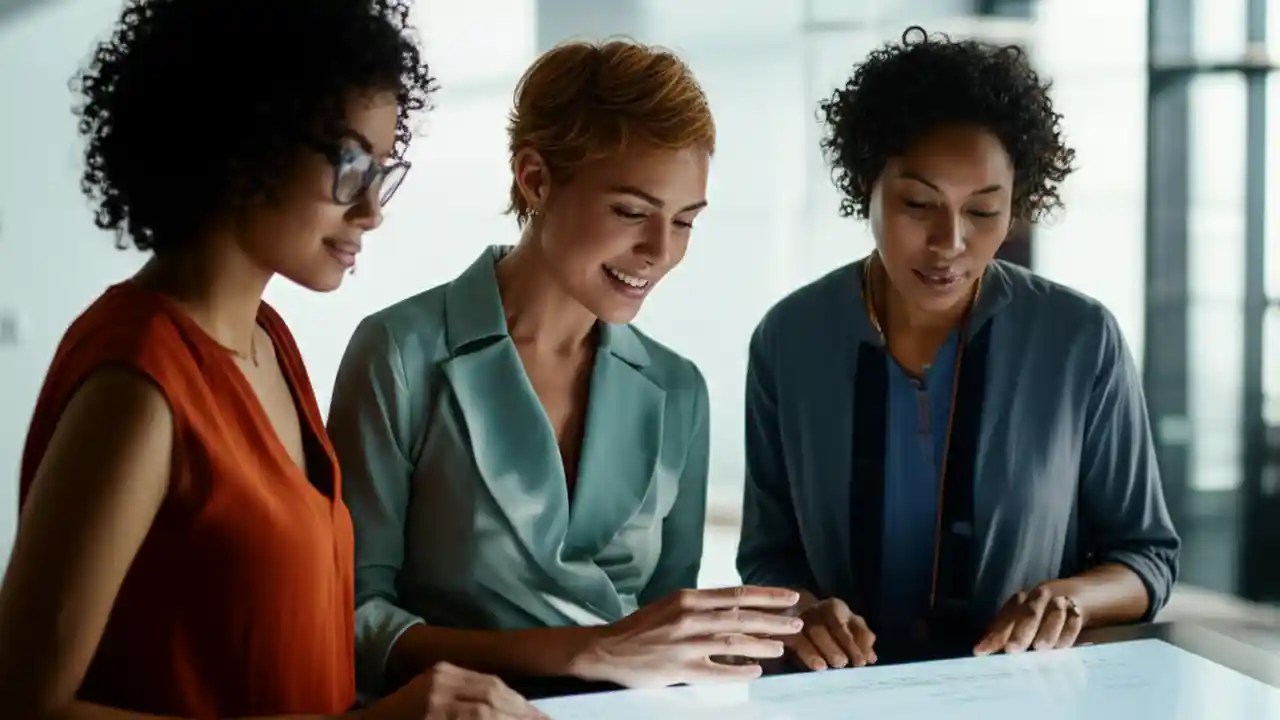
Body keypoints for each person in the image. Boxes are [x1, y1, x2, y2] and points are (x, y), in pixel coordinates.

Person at [0, 1, 544, 718]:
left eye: (383, 170)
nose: (372, 209)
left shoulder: (268, 341)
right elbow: (25, 705)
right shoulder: (137, 381)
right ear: (243, 137)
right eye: (350, 162)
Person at [327, 39, 802, 700]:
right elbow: (351, 623)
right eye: (632, 213)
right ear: (536, 179)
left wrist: (784, 628)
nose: (660, 252)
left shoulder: (678, 389)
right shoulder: (400, 354)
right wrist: (584, 652)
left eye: (685, 221)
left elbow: (672, 639)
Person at [737, 27, 1180, 670]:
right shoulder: (789, 338)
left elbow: (1147, 558)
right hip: (836, 701)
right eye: (919, 204)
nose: (950, 242)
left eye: (982, 211)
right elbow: (768, 553)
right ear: (867, 185)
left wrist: (1067, 600)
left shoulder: (1080, 339)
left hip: (1025, 701)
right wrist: (800, 609)